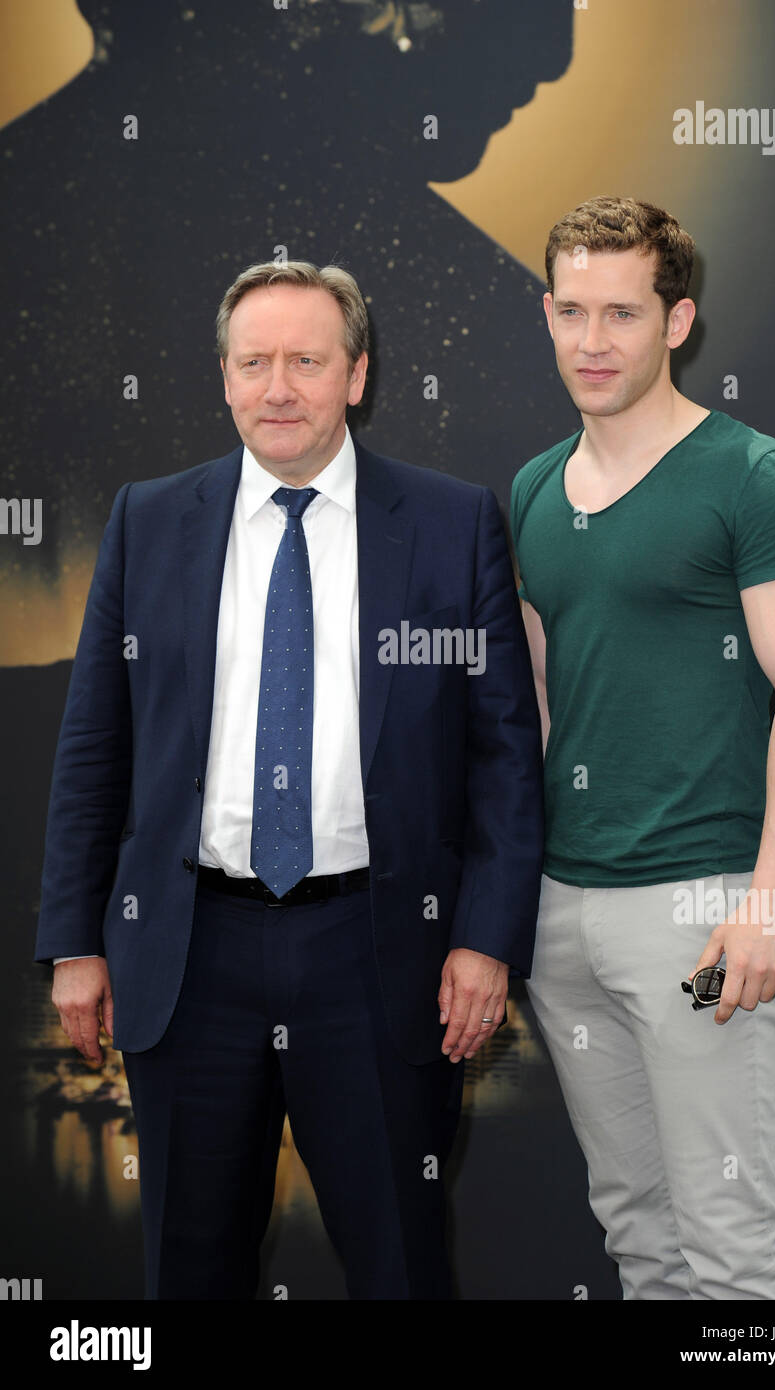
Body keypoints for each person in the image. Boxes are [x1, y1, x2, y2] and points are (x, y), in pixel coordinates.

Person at [35, 260, 544, 1300]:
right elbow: (95, 743)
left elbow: (502, 755)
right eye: (254, 362)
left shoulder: (452, 524)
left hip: (378, 954)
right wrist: (76, 940)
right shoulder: (148, 521)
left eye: (306, 361)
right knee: (189, 1266)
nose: (279, 388)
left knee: (399, 1262)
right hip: (188, 953)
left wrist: (486, 936)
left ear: (356, 375)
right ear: (222, 378)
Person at [511, 197, 775, 1300]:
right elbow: (548, 702)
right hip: (566, 920)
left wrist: (770, 898)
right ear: (547, 315)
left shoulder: (753, 477)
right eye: (571, 311)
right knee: (639, 1234)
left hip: (701, 927)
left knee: (730, 1238)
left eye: (621, 312)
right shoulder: (531, 492)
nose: (592, 340)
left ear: (678, 320)